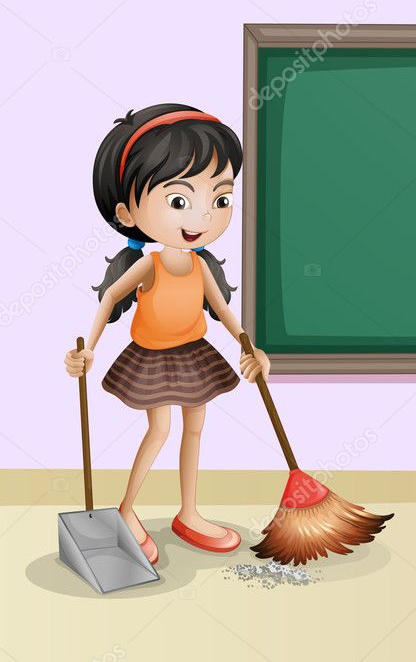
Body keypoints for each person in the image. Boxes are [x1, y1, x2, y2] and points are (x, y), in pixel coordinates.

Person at [64, 104, 271, 564]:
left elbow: (222, 311)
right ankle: (126, 509)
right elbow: (108, 298)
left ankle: (189, 513)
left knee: (195, 428)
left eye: (220, 199)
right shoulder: (148, 263)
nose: (203, 216)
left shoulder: (200, 265)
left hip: (194, 354)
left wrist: (251, 347)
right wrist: (88, 350)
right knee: (159, 430)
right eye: (179, 200)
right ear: (127, 210)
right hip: (154, 357)